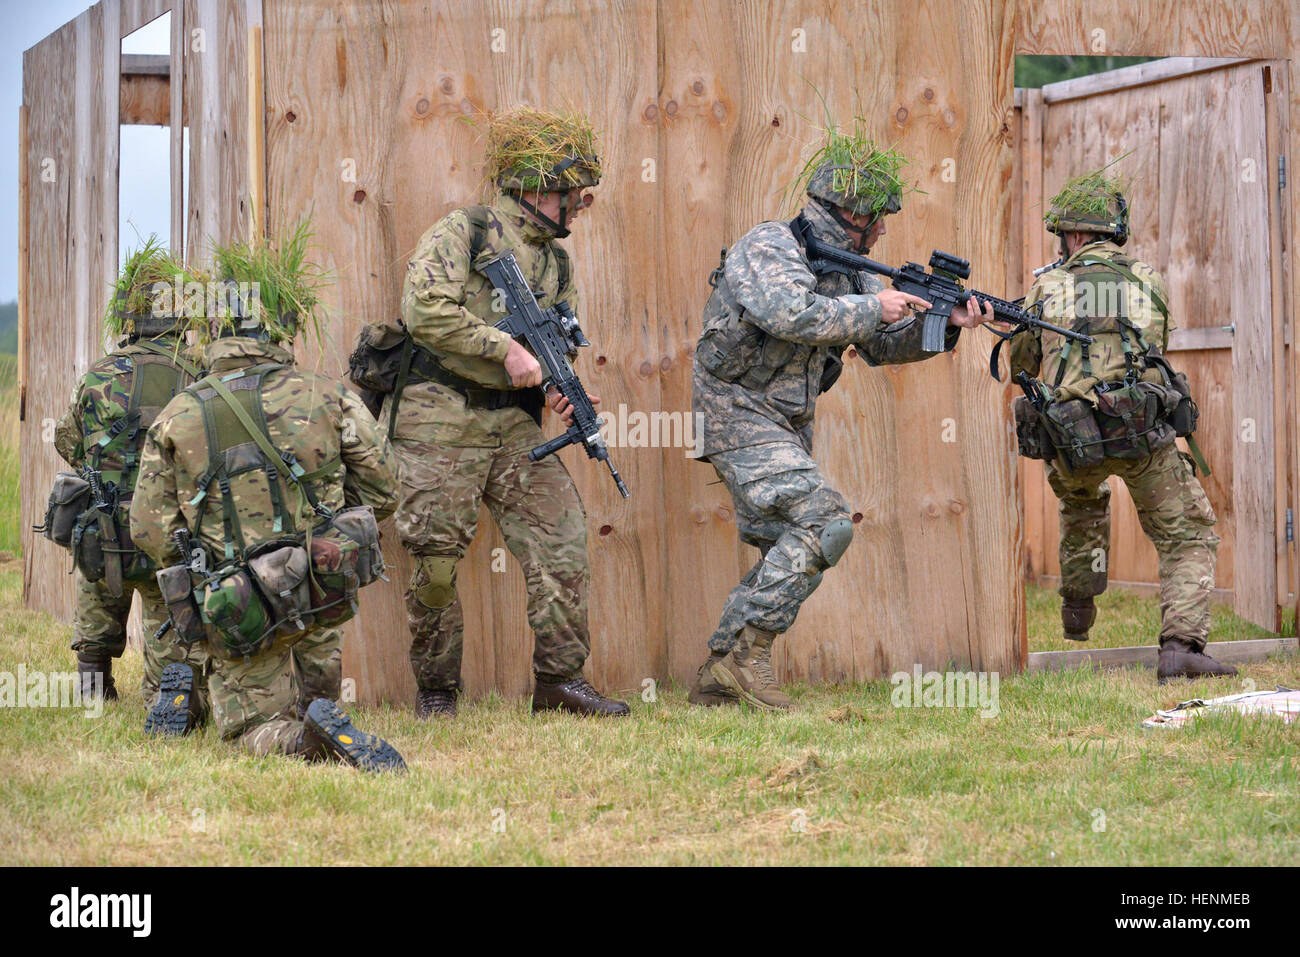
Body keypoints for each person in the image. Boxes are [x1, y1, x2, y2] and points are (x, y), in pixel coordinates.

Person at [688, 125, 993, 710]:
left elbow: (879, 346)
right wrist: (873, 304)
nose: (883, 228)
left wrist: (946, 329)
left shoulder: (849, 268)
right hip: (734, 411)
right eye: (878, 216)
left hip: (783, 423)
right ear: (850, 212)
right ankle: (748, 659)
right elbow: (790, 313)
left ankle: (720, 671)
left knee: (787, 539)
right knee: (825, 521)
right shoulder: (770, 245)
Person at [387, 106, 628, 719]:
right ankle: (437, 693)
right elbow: (424, 312)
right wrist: (505, 347)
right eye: (572, 193)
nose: (580, 205)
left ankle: (559, 684)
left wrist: (561, 392)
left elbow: (553, 348)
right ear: (536, 188)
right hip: (438, 415)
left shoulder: (556, 262)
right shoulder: (465, 232)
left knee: (562, 537)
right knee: (436, 561)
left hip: (512, 424)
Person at [130, 237, 407, 770]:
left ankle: (297, 739)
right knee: (316, 694)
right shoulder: (327, 393)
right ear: (280, 327)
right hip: (321, 588)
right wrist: (324, 522)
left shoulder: (179, 413)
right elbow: (384, 488)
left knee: (250, 732)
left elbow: (148, 529)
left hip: (240, 608)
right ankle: (320, 715)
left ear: (214, 332)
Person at [1010, 166, 1234, 683]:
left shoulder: (1047, 286)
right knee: (1187, 535)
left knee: (1083, 506)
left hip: (1071, 438)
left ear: (1071, 234)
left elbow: (1020, 364)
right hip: (1138, 434)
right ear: (1113, 231)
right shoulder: (1148, 281)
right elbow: (1156, 348)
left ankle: (1077, 615)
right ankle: (1180, 648)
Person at [52, 241, 210, 732]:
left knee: (99, 583)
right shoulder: (197, 374)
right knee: (168, 608)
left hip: (106, 526)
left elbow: (68, 440)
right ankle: (169, 696)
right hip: (168, 528)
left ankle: (92, 680)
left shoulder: (99, 374)